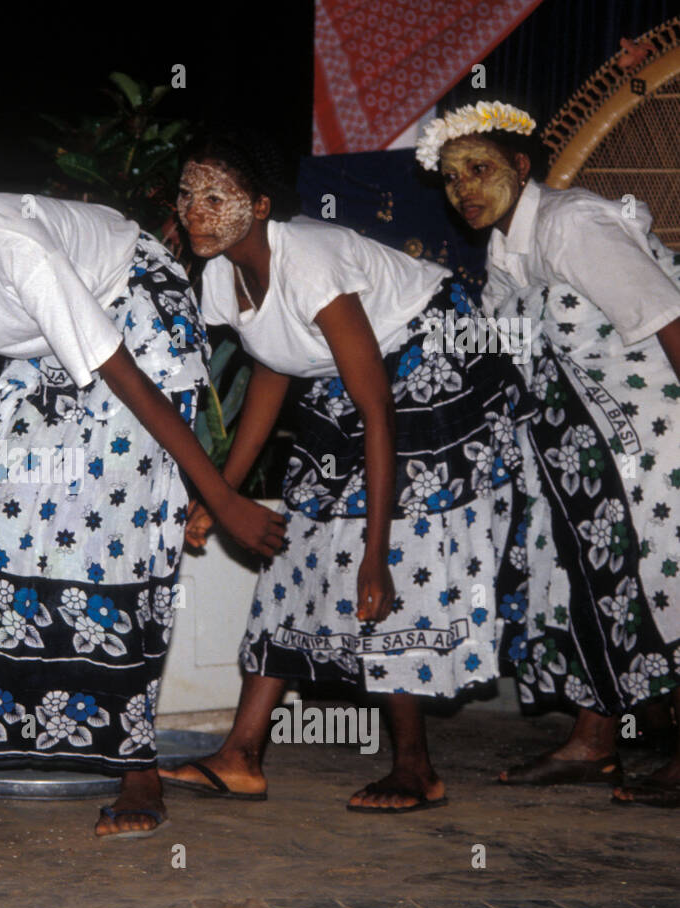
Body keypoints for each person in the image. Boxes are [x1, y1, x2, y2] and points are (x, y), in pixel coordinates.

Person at [0, 150, 288, 838]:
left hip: (137, 313)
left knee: (117, 540)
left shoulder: (12, 246)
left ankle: (137, 770)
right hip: (48, 346)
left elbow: (124, 375)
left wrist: (221, 496)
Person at [161, 131, 525, 811]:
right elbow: (275, 362)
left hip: (429, 353)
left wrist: (375, 554)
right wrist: (224, 490)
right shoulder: (219, 276)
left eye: (216, 196)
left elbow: (378, 411)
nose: (194, 210)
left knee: (398, 552)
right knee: (295, 533)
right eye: (186, 194)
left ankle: (416, 767)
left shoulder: (311, 261)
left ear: (260, 206)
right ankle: (241, 755)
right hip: (352, 369)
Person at [423, 101, 680, 806]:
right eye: (451, 179)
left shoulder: (572, 225)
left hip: (654, 439)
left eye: (480, 169)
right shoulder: (503, 250)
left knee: (662, 578)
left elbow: (667, 317)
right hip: (578, 449)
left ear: (522, 168)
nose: (465, 189)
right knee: (590, 582)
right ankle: (596, 745)